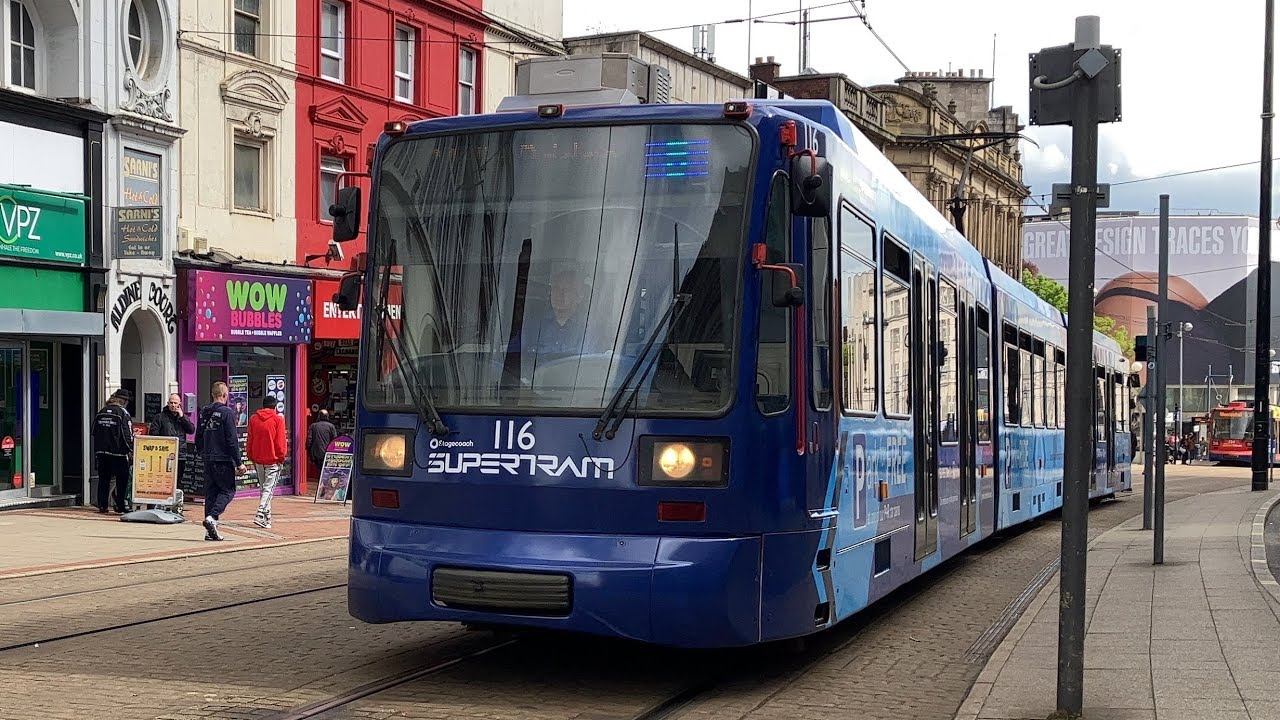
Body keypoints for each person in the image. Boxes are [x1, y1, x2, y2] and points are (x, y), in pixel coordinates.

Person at [196, 381, 247, 541]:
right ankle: (212, 517)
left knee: (211, 493)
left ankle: (210, 531)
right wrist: (239, 462)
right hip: (223, 459)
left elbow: (198, 435)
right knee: (228, 491)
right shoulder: (227, 413)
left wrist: (201, 453)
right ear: (225, 395)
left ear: (213, 394)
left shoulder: (204, 411)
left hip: (208, 458)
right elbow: (231, 439)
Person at [246, 395, 287, 528]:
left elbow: (250, 439)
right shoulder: (278, 419)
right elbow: (280, 442)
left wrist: (250, 455)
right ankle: (260, 513)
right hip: (273, 459)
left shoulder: (253, 419)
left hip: (258, 458)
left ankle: (267, 518)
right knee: (269, 489)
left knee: (264, 488)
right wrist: (281, 457)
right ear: (275, 406)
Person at [92, 389, 134, 514]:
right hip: (118, 453)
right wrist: (130, 450)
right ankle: (120, 505)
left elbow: (94, 431)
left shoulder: (101, 412)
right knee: (122, 479)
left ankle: (102, 505)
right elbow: (127, 434)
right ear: (124, 401)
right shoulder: (123, 413)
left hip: (101, 452)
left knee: (104, 478)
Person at [306, 409, 338, 475]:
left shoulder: (313, 426)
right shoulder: (331, 426)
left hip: (316, 453)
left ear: (319, 416)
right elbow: (334, 440)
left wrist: (309, 451)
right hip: (327, 453)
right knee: (326, 472)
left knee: (319, 470)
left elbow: (309, 440)